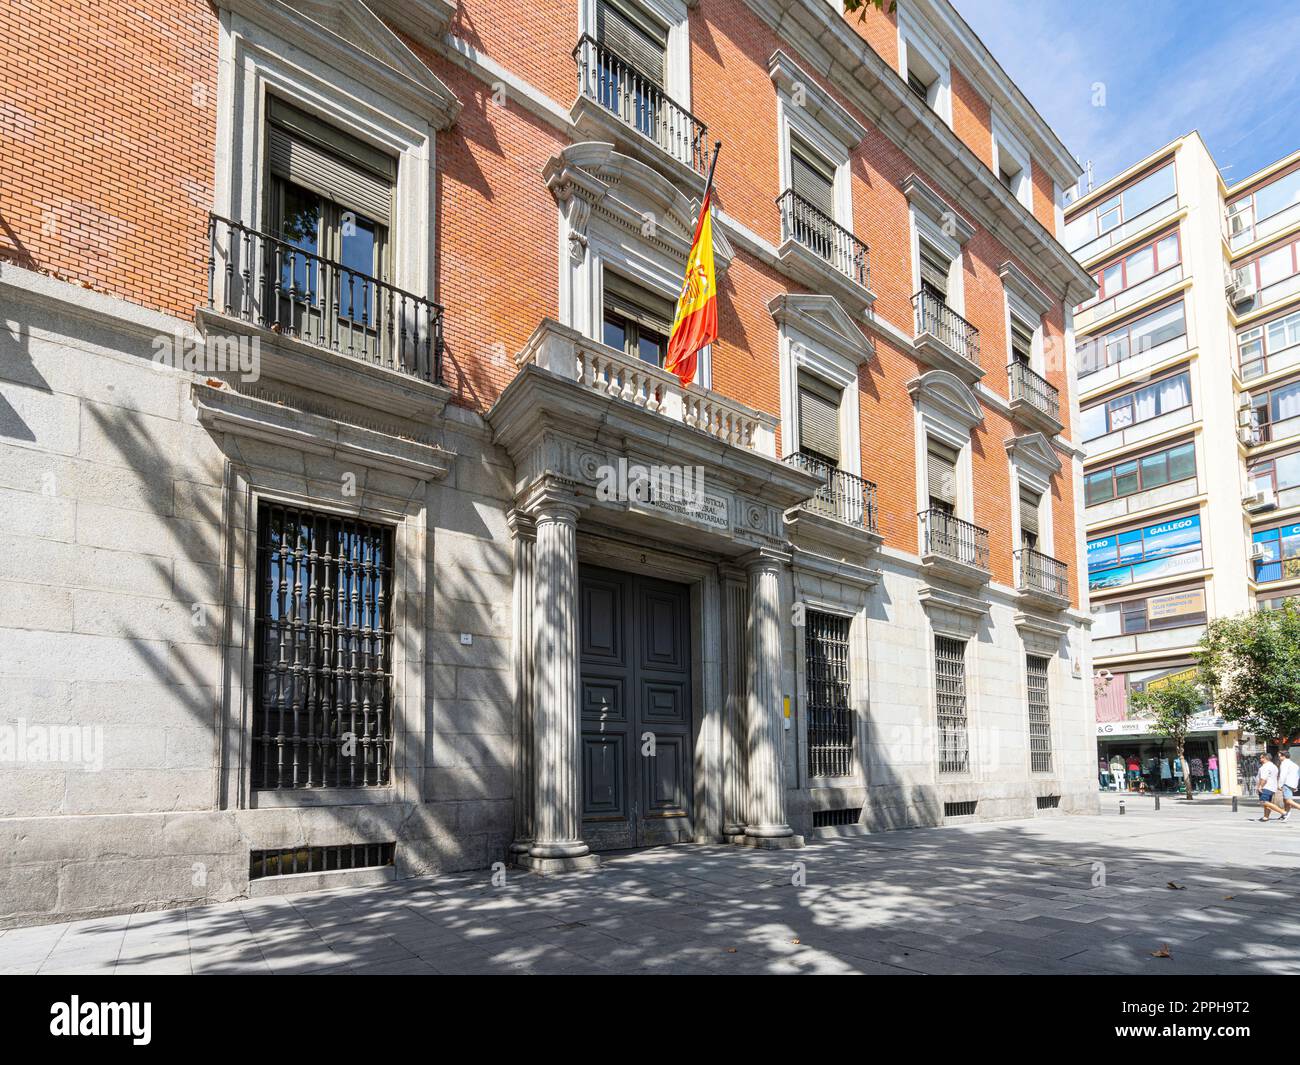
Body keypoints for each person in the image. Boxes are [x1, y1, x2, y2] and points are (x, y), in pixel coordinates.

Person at [1256, 753, 1286, 821]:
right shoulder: (1273, 766)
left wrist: (1260, 786)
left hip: (1266, 787)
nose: (1260, 759)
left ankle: (1283, 812)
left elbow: (1264, 778)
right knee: (1267, 802)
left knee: (1263, 801)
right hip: (1272, 787)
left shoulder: (1265, 767)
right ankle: (1266, 817)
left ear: (1265, 758)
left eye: (1261, 758)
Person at [1277, 749, 1300, 821]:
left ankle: (1287, 812)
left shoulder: (1284, 763)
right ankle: (1285, 814)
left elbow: (1283, 775)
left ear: (1284, 756)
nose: (1279, 758)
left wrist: (1279, 784)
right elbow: (1297, 775)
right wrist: (1295, 785)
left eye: (1279, 756)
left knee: (1288, 800)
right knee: (1285, 800)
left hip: (1287, 783)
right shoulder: (1293, 764)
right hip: (1292, 784)